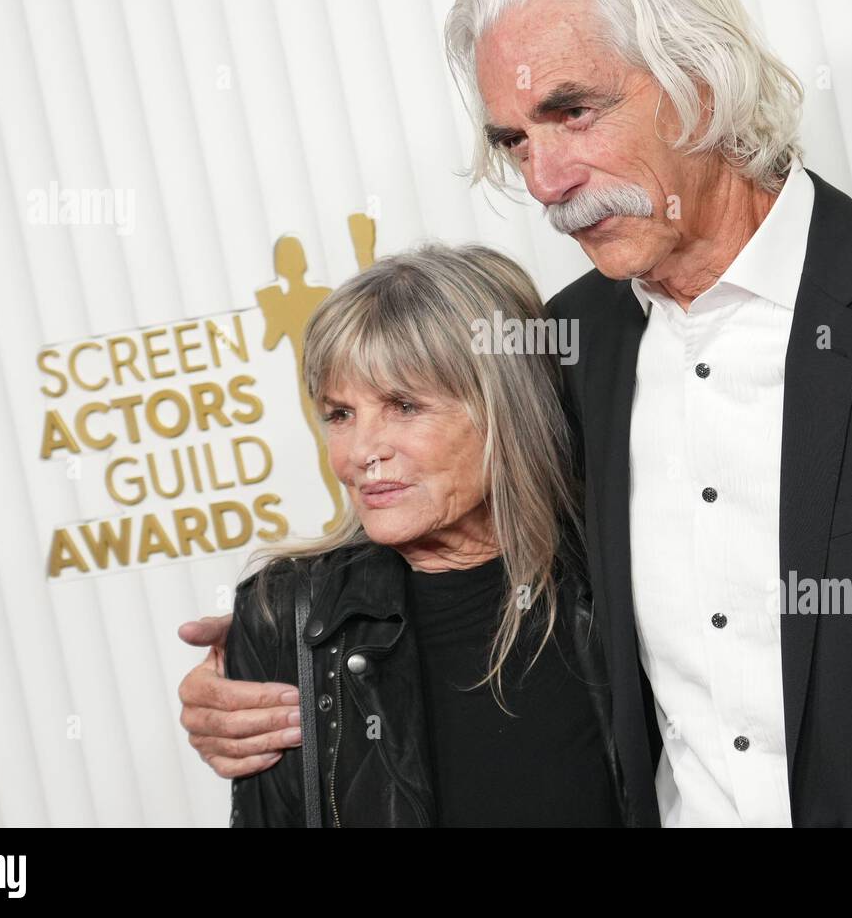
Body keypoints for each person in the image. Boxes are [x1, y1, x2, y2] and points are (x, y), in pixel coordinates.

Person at [180, 0, 852, 827]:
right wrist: (269, 673)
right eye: (515, 143)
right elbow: (457, 563)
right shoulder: (560, 353)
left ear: (700, 80)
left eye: (575, 114)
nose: (548, 181)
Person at [224, 243, 634, 827]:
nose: (362, 452)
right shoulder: (286, 615)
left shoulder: (621, 565)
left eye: (404, 406)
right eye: (340, 414)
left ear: (507, 406)